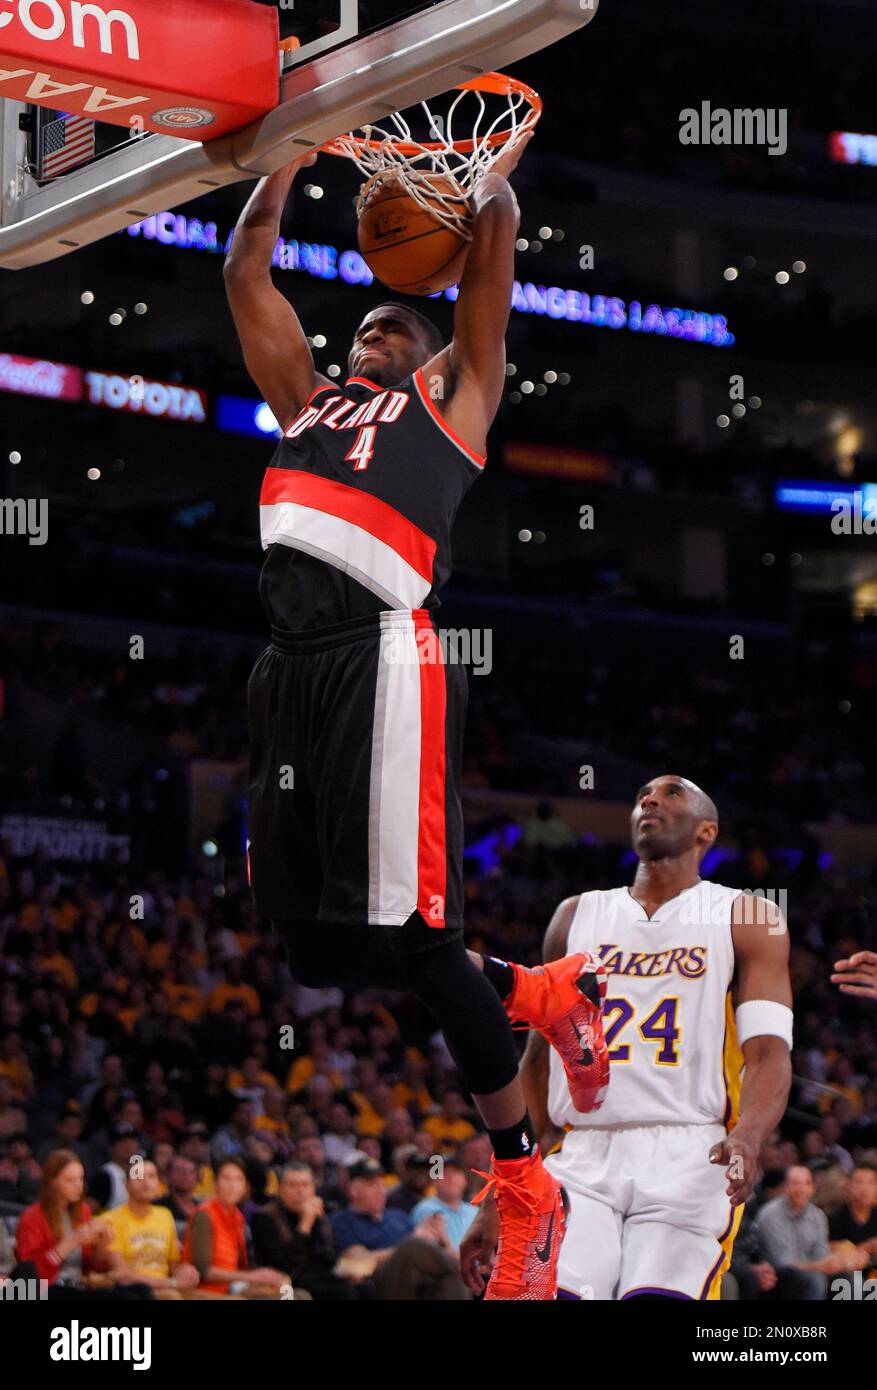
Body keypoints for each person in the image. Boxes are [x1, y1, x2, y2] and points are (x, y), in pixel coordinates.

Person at [224, 133, 609, 1300]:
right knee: (316, 945)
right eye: (359, 331)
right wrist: (282, 159)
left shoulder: (457, 401)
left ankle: (524, 1187)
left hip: (387, 655)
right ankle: (535, 991)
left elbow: (490, 263)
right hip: (287, 668)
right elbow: (247, 271)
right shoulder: (307, 398)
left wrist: (486, 170)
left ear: (432, 358)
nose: (366, 338)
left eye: (391, 330)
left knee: (419, 937)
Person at [463, 775, 794, 1301]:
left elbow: (770, 1053)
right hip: (584, 1149)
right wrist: (498, 1197)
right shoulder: (575, 915)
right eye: (644, 794)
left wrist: (749, 1137)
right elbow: (537, 1065)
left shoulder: (748, 915)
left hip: (690, 1148)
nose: (651, 799)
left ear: (706, 831)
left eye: (671, 793)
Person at [14, 1149, 149, 1300]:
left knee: (141, 1291)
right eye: (70, 1180)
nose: (78, 1185)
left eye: (80, 1179)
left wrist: (103, 1247)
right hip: (49, 1288)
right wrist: (70, 1242)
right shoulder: (32, 1217)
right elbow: (29, 1276)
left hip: (80, 1285)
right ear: (52, 1181)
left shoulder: (82, 1211)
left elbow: (89, 1267)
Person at [182, 1157, 286, 1298]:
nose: (232, 1185)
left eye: (238, 1180)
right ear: (215, 1184)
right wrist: (251, 1277)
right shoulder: (204, 1214)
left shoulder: (238, 1216)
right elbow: (203, 1271)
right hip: (206, 1290)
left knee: (289, 1290)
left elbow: (242, 1264)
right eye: (227, 1179)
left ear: (245, 1187)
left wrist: (263, 1275)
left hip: (232, 1286)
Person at [251, 1161, 354, 1301]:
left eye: (305, 1185)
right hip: (283, 1282)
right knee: (343, 1293)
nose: (300, 1191)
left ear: (314, 1189)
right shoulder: (265, 1217)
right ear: (280, 1190)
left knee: (363, 1288)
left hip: (318, 1278)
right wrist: (305, 1224)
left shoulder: (319, 1214)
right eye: (292, 1185)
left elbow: (328, 1259)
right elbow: (285, 1267)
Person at [755, 1166, 860, 1299]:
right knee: (815, 1279)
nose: (801, 1189)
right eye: (795, 1183)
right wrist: (819, 1266)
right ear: (785, 1187)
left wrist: (840, 1261)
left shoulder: (818, 1215)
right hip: (776, 1276)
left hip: (811, 1269)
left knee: (848, 1277)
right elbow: (782, 1263)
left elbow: (821, 1255)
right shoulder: (771, 1215)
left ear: (813, 1188)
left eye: (806, 1183)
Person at [104, 1160, 201, 1298]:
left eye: (151, 1176)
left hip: (170, 1286)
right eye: (139, 1177)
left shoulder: (165, 1215)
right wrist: (171, 1282)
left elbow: (174, 1266)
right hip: (135, 1292)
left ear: (159, 1183)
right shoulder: (111, 1219)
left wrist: (186, 1271)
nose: (146, 1183)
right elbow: (122, 1275)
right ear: (126, 1185)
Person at [410, 1154, 477, 1251]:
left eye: (456, 1172)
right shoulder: (425, 1210)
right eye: (444, 1173)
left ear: (465, 1180)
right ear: (434, 1181)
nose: (451, 1178)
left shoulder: (474, 1211)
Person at [155, 1154, 202, 1238]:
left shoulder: (203, 1207)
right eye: (178, 1170)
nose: (185, 1174)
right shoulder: (158, 1207)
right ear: (168, 1176)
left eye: (190, 1170)